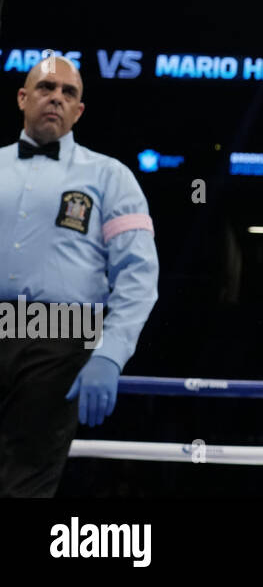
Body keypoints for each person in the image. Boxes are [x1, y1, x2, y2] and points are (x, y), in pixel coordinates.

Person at [0, 55, 159, 496]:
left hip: (63, 334)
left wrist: (111, 352)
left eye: (68, 92)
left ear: (79, 110)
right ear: (22, 97)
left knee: (24, 484)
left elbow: (138, 274)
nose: (56, 98)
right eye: (46, 88)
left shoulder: (110, 176)